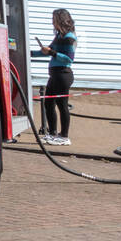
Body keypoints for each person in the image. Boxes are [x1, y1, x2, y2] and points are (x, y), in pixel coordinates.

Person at [36, 9, 77, 146]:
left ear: (61, 20)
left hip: (63, 75)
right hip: (54, 75)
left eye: (54, 19)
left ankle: (64, 136)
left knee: (62, 105)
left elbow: (68, 59)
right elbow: (47, 52)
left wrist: (52, 52)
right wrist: (26, 52)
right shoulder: (59, 36)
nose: (52, 22)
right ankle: (53, 133)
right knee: (48, 104)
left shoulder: (69, 37)